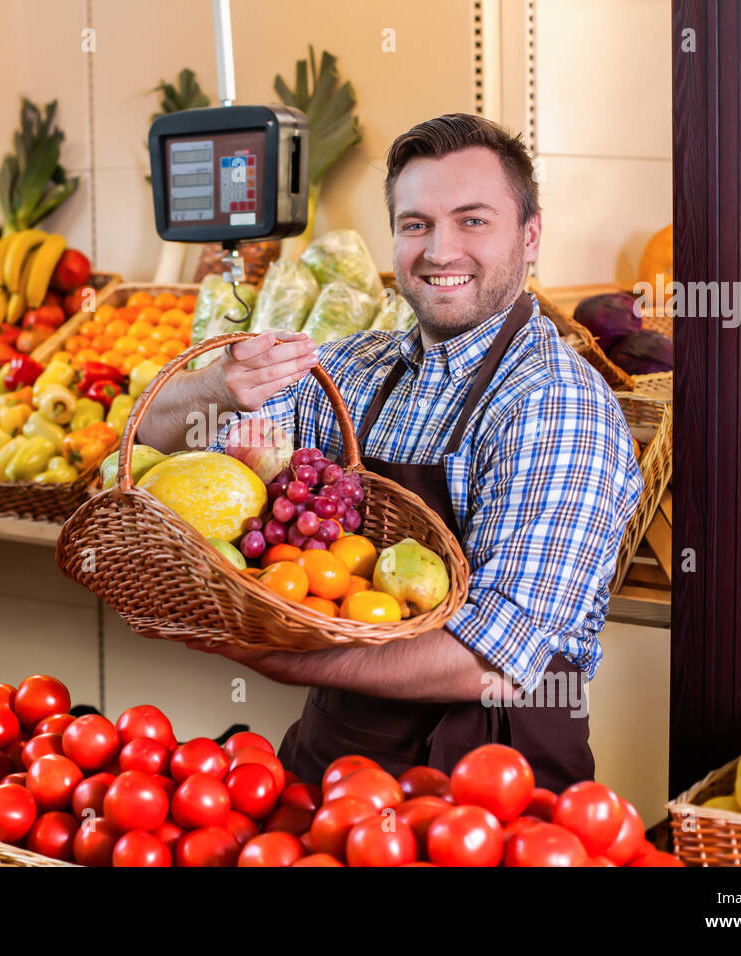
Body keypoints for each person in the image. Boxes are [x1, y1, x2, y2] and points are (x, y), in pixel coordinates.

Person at [137, 113, 643, 792]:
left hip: (492, 795)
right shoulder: (352, 373)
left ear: (530, 237)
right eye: (416, 224)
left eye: (472, 221)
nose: (440, 251)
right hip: (336, 762)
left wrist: (276, 657)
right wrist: (220, 384)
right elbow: (154, 438)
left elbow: (491, 658)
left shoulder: (554, 404)